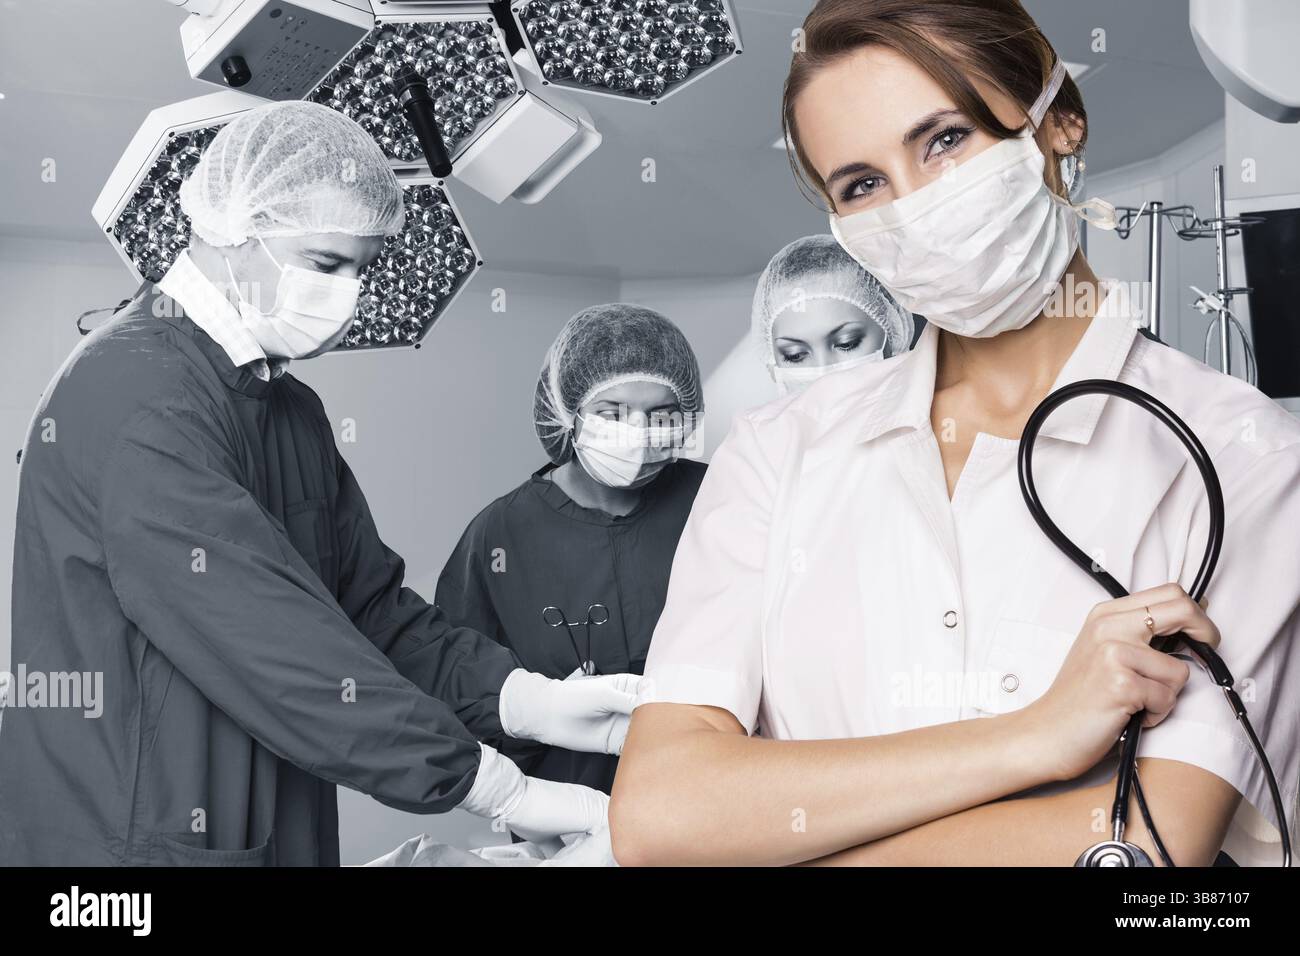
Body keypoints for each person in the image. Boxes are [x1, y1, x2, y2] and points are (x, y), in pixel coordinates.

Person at [611, 0, 1300, 867]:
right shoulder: (777, 450)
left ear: (1058, 123)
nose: (914, 208)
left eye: (943, 140)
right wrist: (1038, 736)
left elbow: (1147, 852)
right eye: (862, 185)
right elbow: (659, 817)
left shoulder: (1239, 456)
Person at [0, 101, 639, 866]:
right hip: (127, 855)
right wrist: (499, 790)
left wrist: (525, 701)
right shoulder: (133, 390)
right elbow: (275, 643)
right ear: (232, 229)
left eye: (361, 268)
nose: (349, 295)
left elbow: (366, 612)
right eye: (325, 263)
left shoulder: (288, 408)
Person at [436, 305, 707, 795]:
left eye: (660, 414)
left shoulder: (719, 497)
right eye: (613, 414)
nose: (638, 436)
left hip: (713, 794)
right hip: (566, 811)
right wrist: (542, 711)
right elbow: (458, 688)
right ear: (566, 411)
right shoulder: (501, 535)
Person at [753, 234, 914, 396]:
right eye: (795, 356)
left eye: (846, 344)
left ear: (894, 330)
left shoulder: (932, 414)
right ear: (773, 362)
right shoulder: (757, 422)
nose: (823, 374)